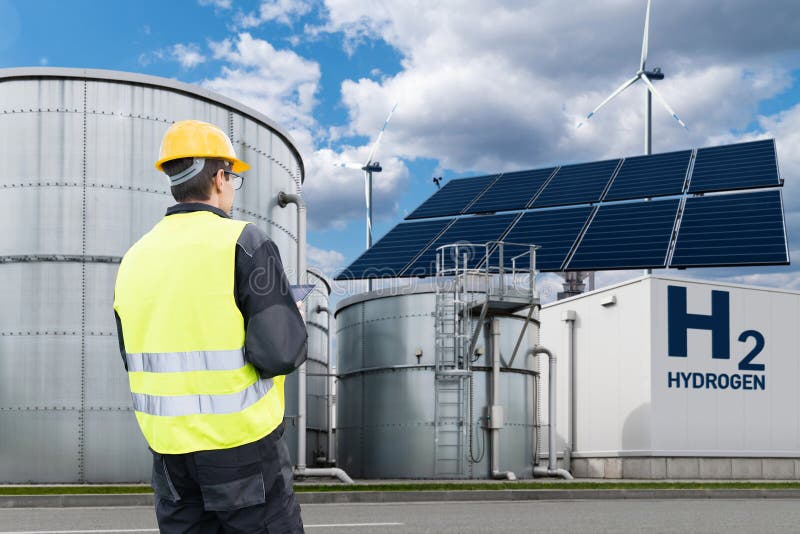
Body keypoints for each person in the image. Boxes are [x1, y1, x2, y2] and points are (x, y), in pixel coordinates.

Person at [113, 119, 307, 533]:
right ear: (220, 178)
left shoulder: (134, 258)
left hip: (169, 454)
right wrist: (294, 318)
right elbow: (280, 353)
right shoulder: (244, 242)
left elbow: (132, 354)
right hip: (242, 450)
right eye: (233, 177)